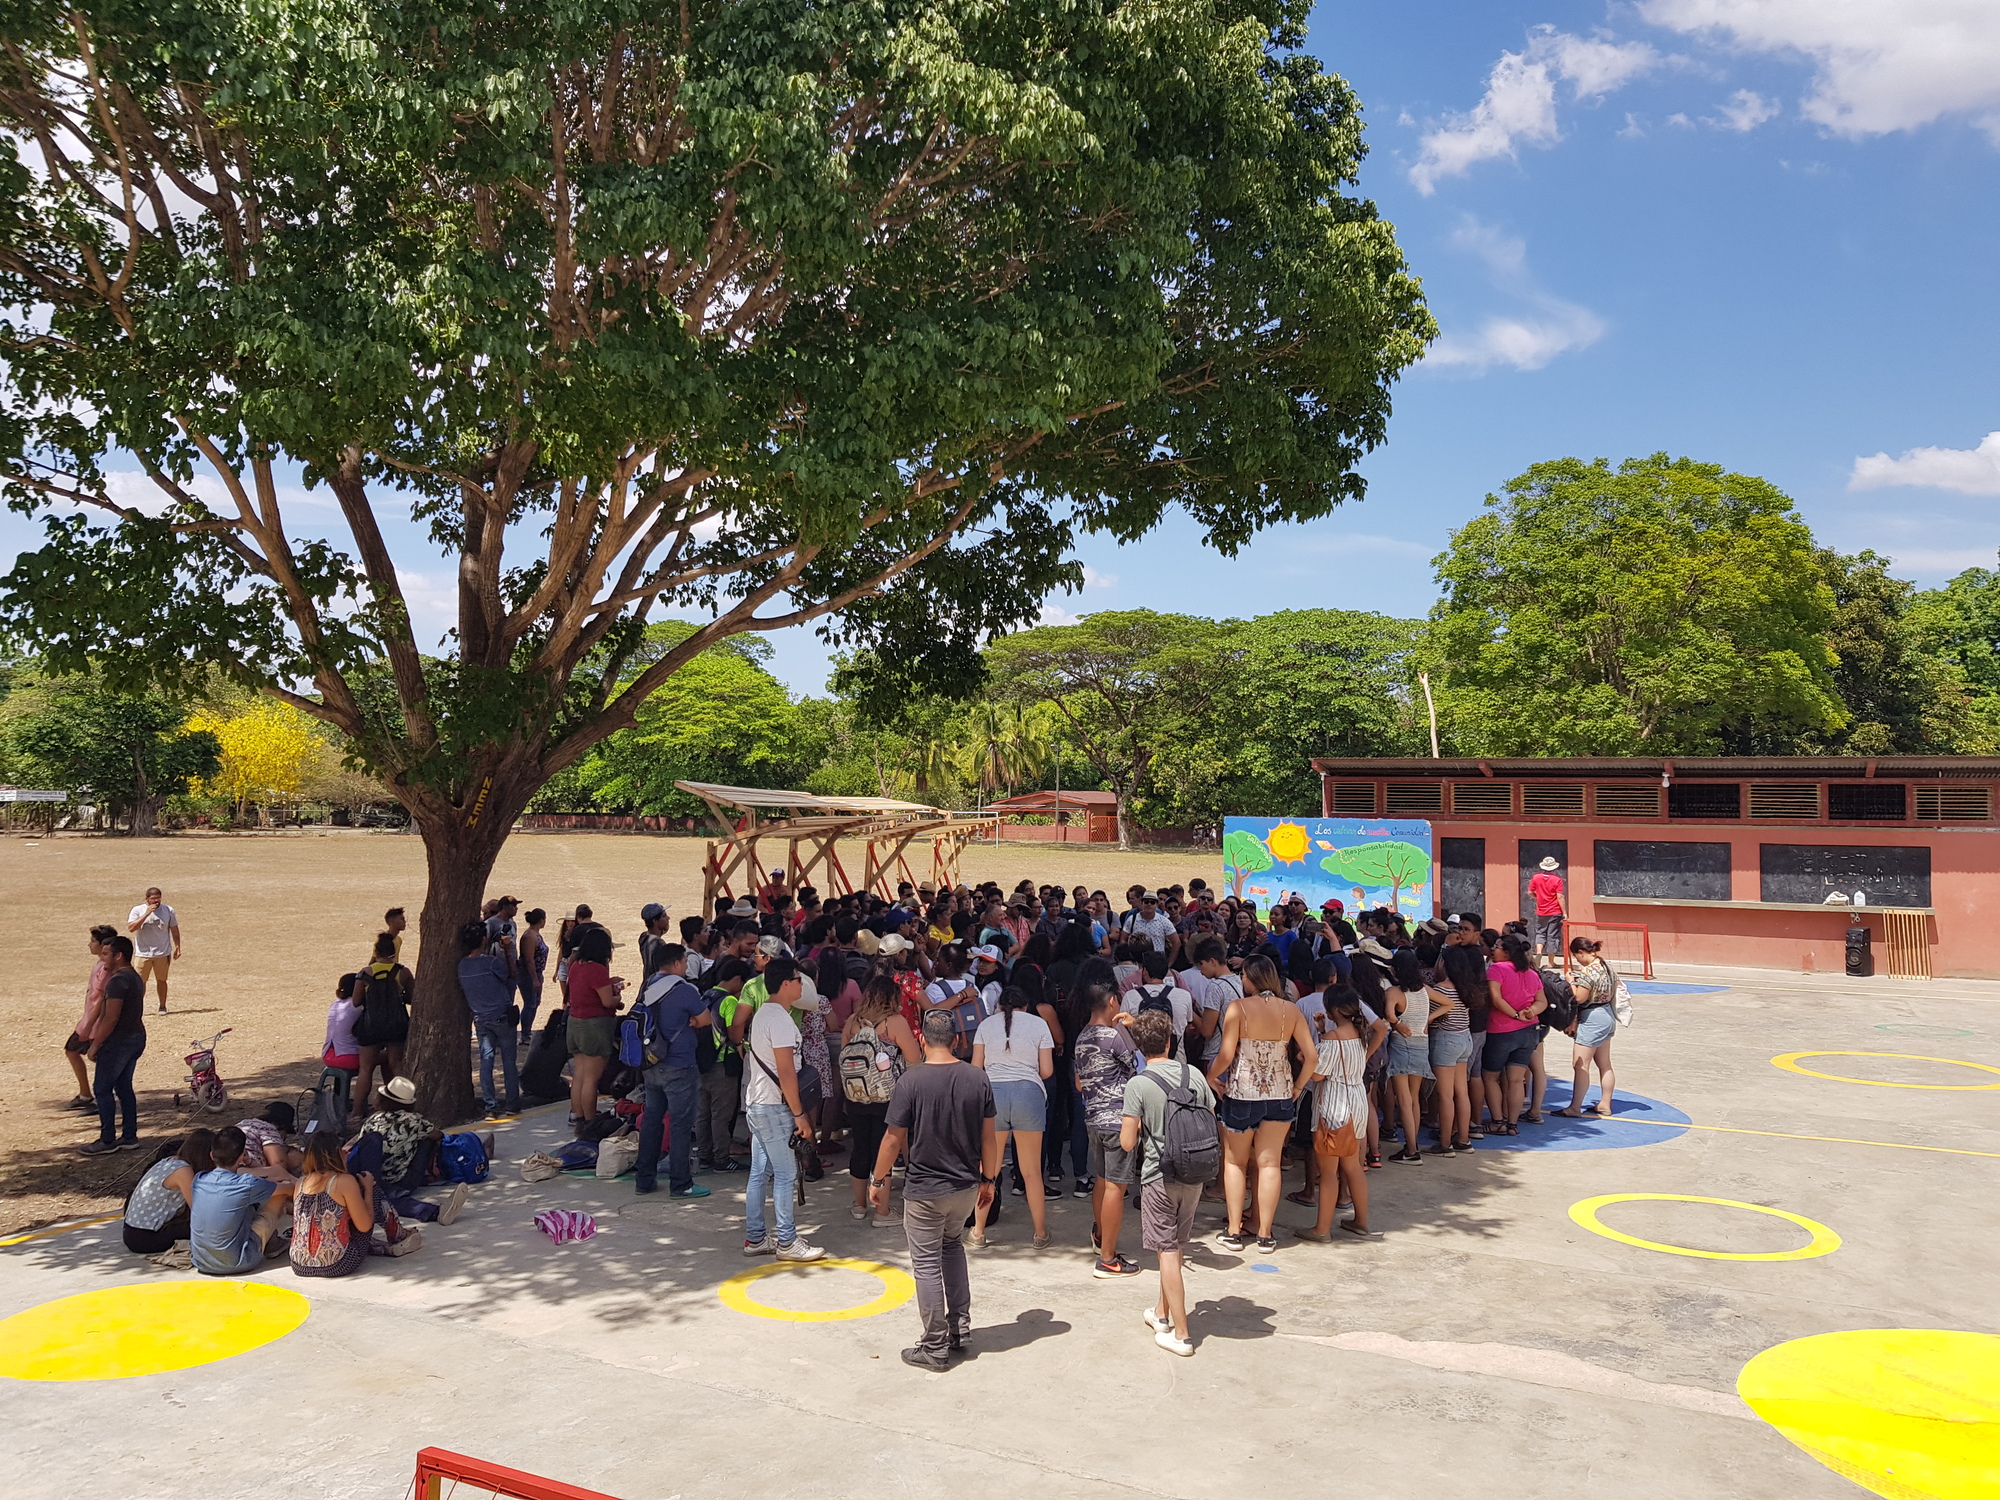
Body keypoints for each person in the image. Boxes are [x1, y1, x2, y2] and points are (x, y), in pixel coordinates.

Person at [870, 1007, 1002, 1372]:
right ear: (958, 1040)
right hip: (964, 1187)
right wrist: (988, 1180)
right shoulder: (978, 1079)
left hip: (925, 1189)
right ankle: (960, 1328)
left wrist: (878, 1181)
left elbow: (893, 1140)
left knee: (927, 1264)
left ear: (923, 1040)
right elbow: (989, 1139)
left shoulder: (910, 1082)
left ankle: (934, 1346)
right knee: (952, 1247)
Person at [1119, 1008, 1214, 1358]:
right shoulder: (1194, 1075)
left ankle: (1183, 1334)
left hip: (1159, 1176)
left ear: (1141, 1048)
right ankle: (1162, 1314)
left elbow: (1128, 1142)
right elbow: (1209, 1114)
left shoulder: (1139, 1084)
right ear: (1172, 1041)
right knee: (1173, 1247)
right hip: (1195, 1174)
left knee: (1167, 1251)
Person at [1205, 955, 1315, 1254]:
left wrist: (1209, 1077)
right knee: (1270, 1163)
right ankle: (1265, 1234)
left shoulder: (1238, 1008)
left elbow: (1226, 1056)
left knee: (1234, 1162)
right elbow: (1312, 1056)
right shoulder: (1290, 1010)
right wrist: (1297, 1087)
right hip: (1279, 1093)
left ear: (1251, 978)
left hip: (1242, 1092)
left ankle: (1233, 1231)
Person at [740, 958, 825, 1261]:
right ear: (786, 984)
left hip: (758, 1103)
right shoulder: (779, 1019)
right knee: (786, 1173)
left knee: (759, 1173)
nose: (803, 985)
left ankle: (756, 1238)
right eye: (798, 979)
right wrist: (800, 1114)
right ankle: (787, 1241)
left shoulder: (767, 1014)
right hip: (774, 1107)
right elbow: (787, 1072)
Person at [968, 985, 1055, 1248]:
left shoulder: (985, 1025)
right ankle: (1040, 1234)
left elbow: (976, 1068)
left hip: (992, 1095)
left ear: (999, 1006)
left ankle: (978, 1232)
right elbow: (1047, 1070)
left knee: (988, 1172)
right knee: (1032, 1173)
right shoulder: (1039, 1025)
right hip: (1029, 1094)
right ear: (1025, 1006)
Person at [1297, 983, 1382, 1242]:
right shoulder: (1360, 1032)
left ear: (1332, 1010)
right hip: (1356, 1102)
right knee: (1353, 1165)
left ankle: (1322, 1229)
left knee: (1329, 1170)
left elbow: (1319, 1073)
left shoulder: (1332, 1040)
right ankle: (1361, 1221)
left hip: (1334, 1106)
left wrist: (1304, 1059)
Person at [633, 943, 715, 1199]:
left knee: (651, 1120)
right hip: (679, 1064)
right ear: (679, 963)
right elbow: (705, 1020)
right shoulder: (684, 990)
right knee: (680, 1125)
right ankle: (681, 1183)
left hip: (651, 1062)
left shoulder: (648, 985)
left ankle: (644, 1180)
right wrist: (689, 1020)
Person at [840, 976, 922, 1222]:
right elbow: (914, 1058)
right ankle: (883, 1211)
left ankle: (859, 1205)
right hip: (887, 1096)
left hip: (855, 1095)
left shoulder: (852, 1022)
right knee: (883, 1151)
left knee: (860, 1148)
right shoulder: (894, 1022)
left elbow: (844, 1055)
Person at [1072, 982, 1140, 1276]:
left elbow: (1079, 1082)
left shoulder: (1081, 1037)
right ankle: (1109, 1258)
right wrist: (1131, 1028)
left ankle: (1101, 1238)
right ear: (1112, 1002)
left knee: (1102, 1179)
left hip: (1094, 1118)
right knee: (1116, 1186)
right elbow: (1138, 1065)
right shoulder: (1115, 1036)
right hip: (1119, 1119)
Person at [347, 1076, 470, 1225]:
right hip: (403, 1180)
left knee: (382, 1193)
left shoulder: (373, 1120)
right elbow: (438, 1135)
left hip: (375, 1177)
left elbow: (361, 1145)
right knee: (427, 1140)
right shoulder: (416, 1121)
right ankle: (433, 1200)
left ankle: (433, 1209)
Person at [292, 1128, 414, 1276]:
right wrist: (368, 1188)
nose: (346, 1153)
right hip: (337, 1264)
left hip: (299, 1265)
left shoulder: (300, 1182)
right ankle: (397, 1233)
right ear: (334, 1154)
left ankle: (379, 1246)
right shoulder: (343, 1181)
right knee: (373, 1192)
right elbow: (364, 1226)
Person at [190, 1126, 295, 1274]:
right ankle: (272, 1244)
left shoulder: (199, 1179)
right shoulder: (246, 1184)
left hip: (201, 1262)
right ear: (241, 1157)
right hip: (238, 1262)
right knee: (278, 1193)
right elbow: (289, 1189)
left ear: (212, 1156)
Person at [80, 935, 146, 1156]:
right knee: (124, 1086)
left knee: (102, 1089)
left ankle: (107, 1139)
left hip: (119, 1042)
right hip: (136, 1036)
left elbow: (111, 1018)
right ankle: (129, 1136)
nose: (102, 957)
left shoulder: (117, 982)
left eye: (106, 953)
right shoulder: (134, 977)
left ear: (119, 956)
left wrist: (95, 1044)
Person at [1483, 933, 1547, 1135]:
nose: (1494, 949)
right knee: (1517, 1079)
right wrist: (1530, 1012)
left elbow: (1496, 997)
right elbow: (1542, 1001)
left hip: (1501, 1030)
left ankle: (1497, 1120)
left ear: (1507, 952)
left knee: (1490, 1077)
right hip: (1529, 1031)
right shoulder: (1530, 973)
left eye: (1497, 946)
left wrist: (1515, 1015)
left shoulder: (1496, 969)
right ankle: (1512, 1123)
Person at [565, 924, 626, 1129]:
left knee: (580, 1075)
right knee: (592, 1079)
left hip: (575, 1023)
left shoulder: (576, 966)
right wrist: (618, 994)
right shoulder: (597, 969)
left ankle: (579, 1115)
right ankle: (591, 1121)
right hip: (595, 1026)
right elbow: (608, 1002)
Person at [457, 920, 520, 1115]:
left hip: (481, 1018)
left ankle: (490, 1105)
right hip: (502, 1016)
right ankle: (512, 1104)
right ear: (484, 940)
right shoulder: (491, 963)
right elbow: (511, 974)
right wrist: (508, 950)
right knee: (509, 1062)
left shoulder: (462, 966)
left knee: (486, 1061)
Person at [698, 958, 751, 1173]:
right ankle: (721, 1158)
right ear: (737, 980)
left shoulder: (706, 995)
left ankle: (704, 1155)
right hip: (723, 1063)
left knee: (703, 1113)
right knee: (721, 1114)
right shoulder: (728, 1001)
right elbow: (733, 1030)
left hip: (703, 1061)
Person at [352, 933, 413, 1118]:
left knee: (366, 1069)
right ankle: (401, 1106)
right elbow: (412, 997)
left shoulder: (365, 973)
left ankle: (357, 1112)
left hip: (371, 1027)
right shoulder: (402, 972)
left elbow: (356, 1002)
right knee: (396, 1065)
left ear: (376, 951)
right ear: (394, 952)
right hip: (396, 1026)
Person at [123, 1129, 213, 1253]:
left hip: (132, 1231)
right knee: (210, 1226)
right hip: (145, 1237)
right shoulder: (184, 1171)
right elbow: (198, 1210)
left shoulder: (170, 1161)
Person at [1560, 937, 1620, 1118]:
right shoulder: (1606, 965)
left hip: (1593, 1017)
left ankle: (1574, 1107)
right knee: (1605, 1064)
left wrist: (1571, 981)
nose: (1577, 960)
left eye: (1576, 956)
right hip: (1607, 1013)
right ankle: (1605, 1104)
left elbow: (1579, 998)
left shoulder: (1587, 971)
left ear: (1580, 952)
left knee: (1580, 1064)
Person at [63, 925, 117, 1112]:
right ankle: (87, 1094)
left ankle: (97, 1097)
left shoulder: (106, 969)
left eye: (93, 941)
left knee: (95, 1057)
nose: (89, 944)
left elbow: (102, 1001)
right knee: (74, 1051)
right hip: (90, 1022)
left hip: (95, 1025)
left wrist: (89, 1025)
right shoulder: (100, 965)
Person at [126, 885, 181, 1013]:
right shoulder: (137, 910)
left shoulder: (168, 910)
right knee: (140, 983)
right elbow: (131, 928)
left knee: (161, 980)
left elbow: (174, 930)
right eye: (153, 899)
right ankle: (137, 1008)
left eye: (158, 899)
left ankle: (162, 1006)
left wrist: (178, 946)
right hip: (143, 953)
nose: (156, 902)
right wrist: (146, 914)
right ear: (147, 899)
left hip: (162, 953)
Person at [236, 1101, 301, 1177]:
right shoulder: (268, 1129)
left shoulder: (244, 1124)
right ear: (281, 1128)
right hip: (246, 1172)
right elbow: (278, 1164)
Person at [517, 908, 550, 1047]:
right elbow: (529, 959)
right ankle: (525, 1034)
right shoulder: (529, 937)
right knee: (530, 1003)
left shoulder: (535, 935)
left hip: (537, 972)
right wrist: (534, 978)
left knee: (534, 1002)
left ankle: (527, 1031)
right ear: (541, 920)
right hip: (529, 974)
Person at [1529, 856, 1567, 957]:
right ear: (1554, 867)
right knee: (1552, 936)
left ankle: (1538, 952)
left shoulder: (1536, 877)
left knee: (1540, 932)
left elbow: (1530, 892)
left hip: (1541, 911)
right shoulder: (1557, 880)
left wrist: (1538, 897)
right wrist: (1565, 913)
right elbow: (1560, 897)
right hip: (1555, 911)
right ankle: (1551, 961)